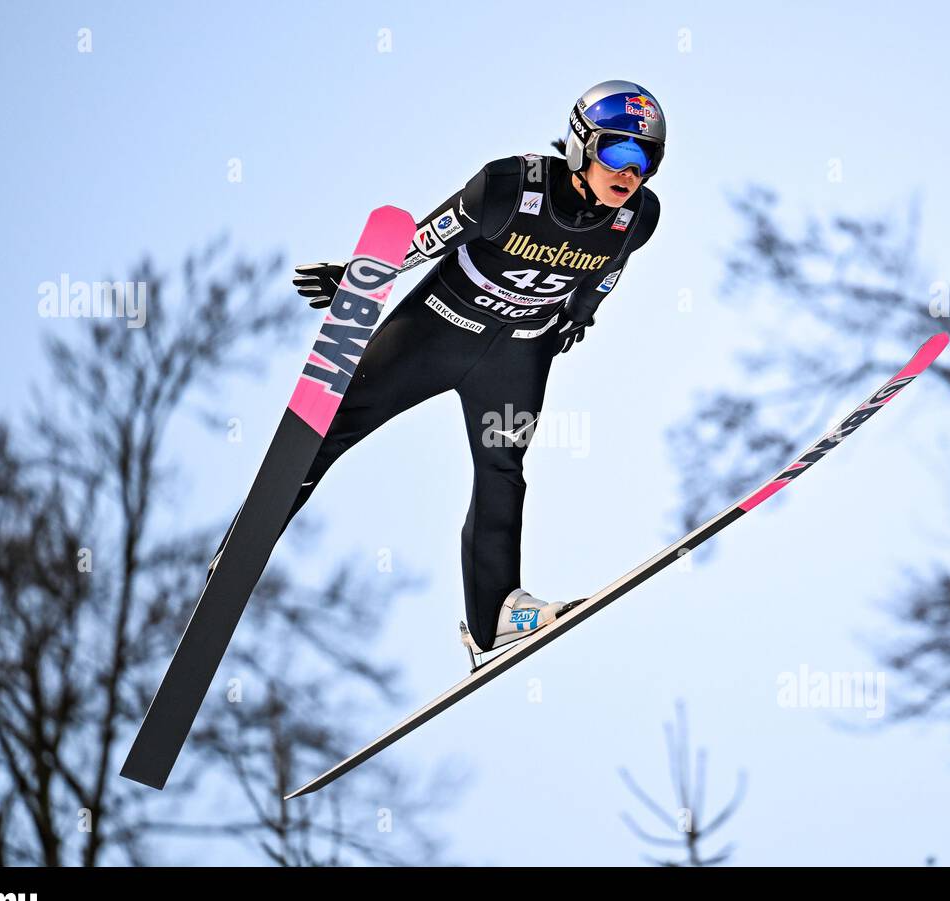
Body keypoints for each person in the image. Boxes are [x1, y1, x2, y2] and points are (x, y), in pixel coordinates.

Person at [221, 80, 664, 671]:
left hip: (518, 351)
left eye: (646, 159)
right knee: (333, 424)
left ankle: (495, 619)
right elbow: (429, 238)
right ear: (582, 145)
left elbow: (610, 268)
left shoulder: (639, 216)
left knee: (503, 471)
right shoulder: (511, 186)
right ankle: (250, 540)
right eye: (618, 152)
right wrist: (365, 276)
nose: (630, 172)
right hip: (438, 329)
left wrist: (582, 315)